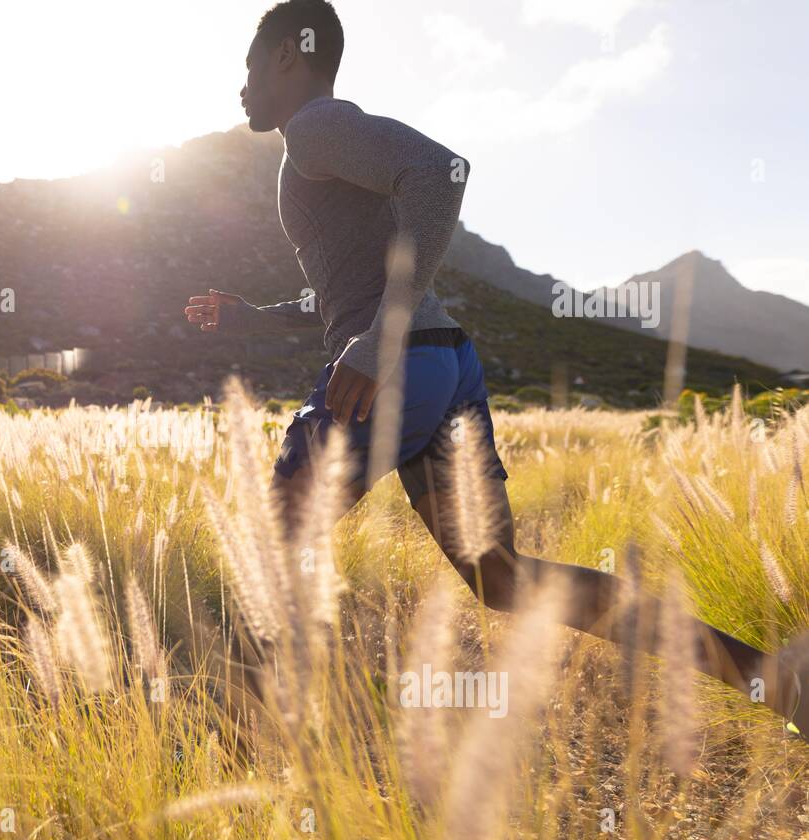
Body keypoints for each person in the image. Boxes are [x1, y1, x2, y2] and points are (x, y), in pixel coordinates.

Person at [184, 0, 808, 732]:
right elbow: (342, 293)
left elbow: (442, 171)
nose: (242, 85)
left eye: (250, 65)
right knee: (504, 579)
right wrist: (258, 317)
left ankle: (231, 755)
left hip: (399, 367)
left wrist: (380, 337)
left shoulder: (316, 127)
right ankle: (770, 678)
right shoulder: (321, 149)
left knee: (270, 546)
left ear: (289, 54)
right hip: (445, 361)